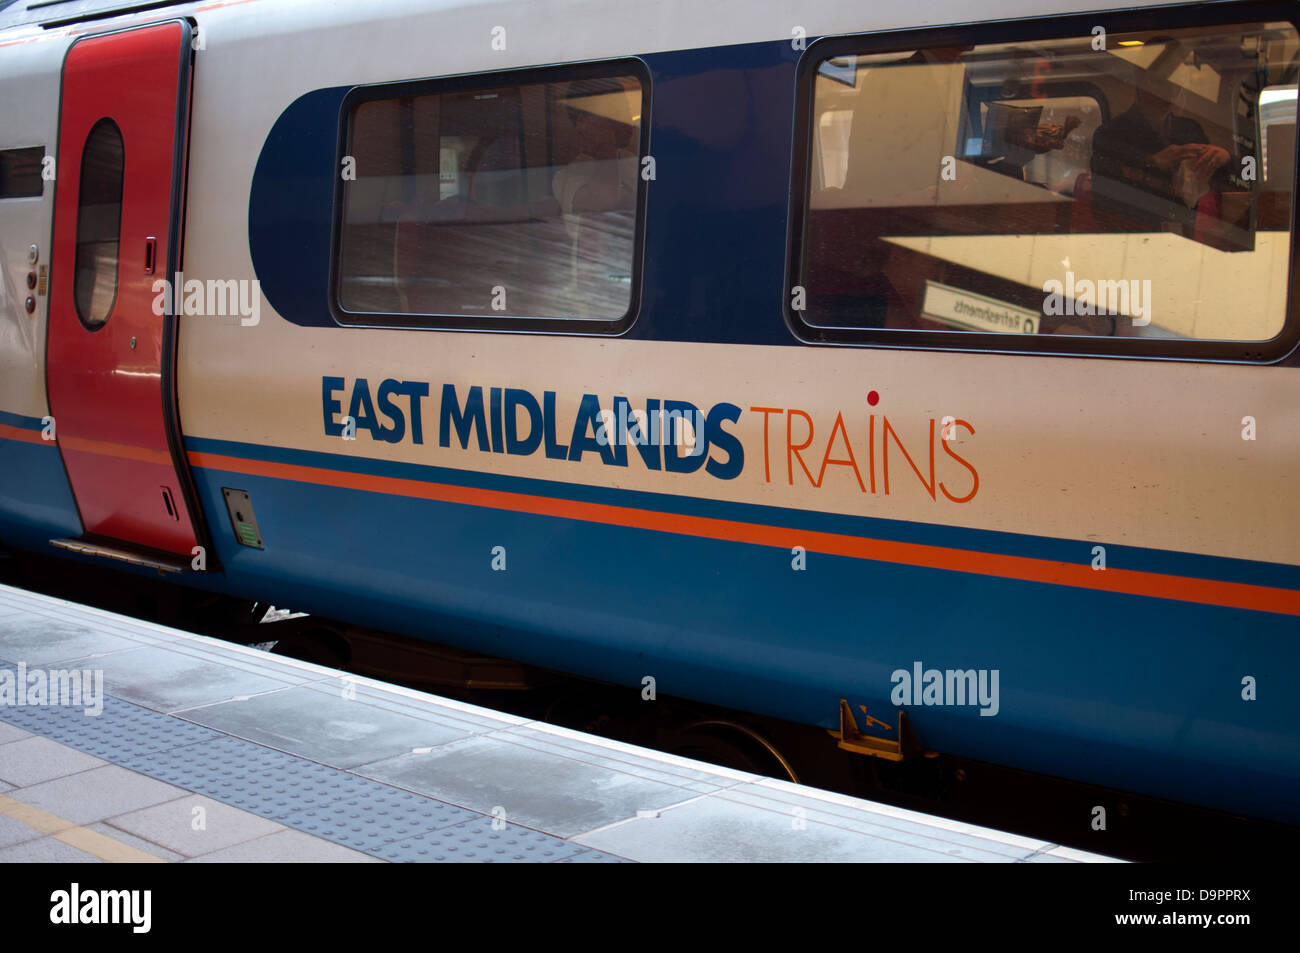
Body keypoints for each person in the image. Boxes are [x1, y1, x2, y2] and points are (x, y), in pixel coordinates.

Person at [1089, 81, 1231, 233]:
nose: (1168, 92)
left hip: (1185, 233)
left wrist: (1225, 159)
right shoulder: (1110, 133)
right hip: (1132, 234)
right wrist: (1150, 162)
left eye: (1173, 86)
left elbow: (1220, 179)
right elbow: (1104, 196)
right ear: (1141, 88)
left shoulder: (1190, 129)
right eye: (1159, 84)